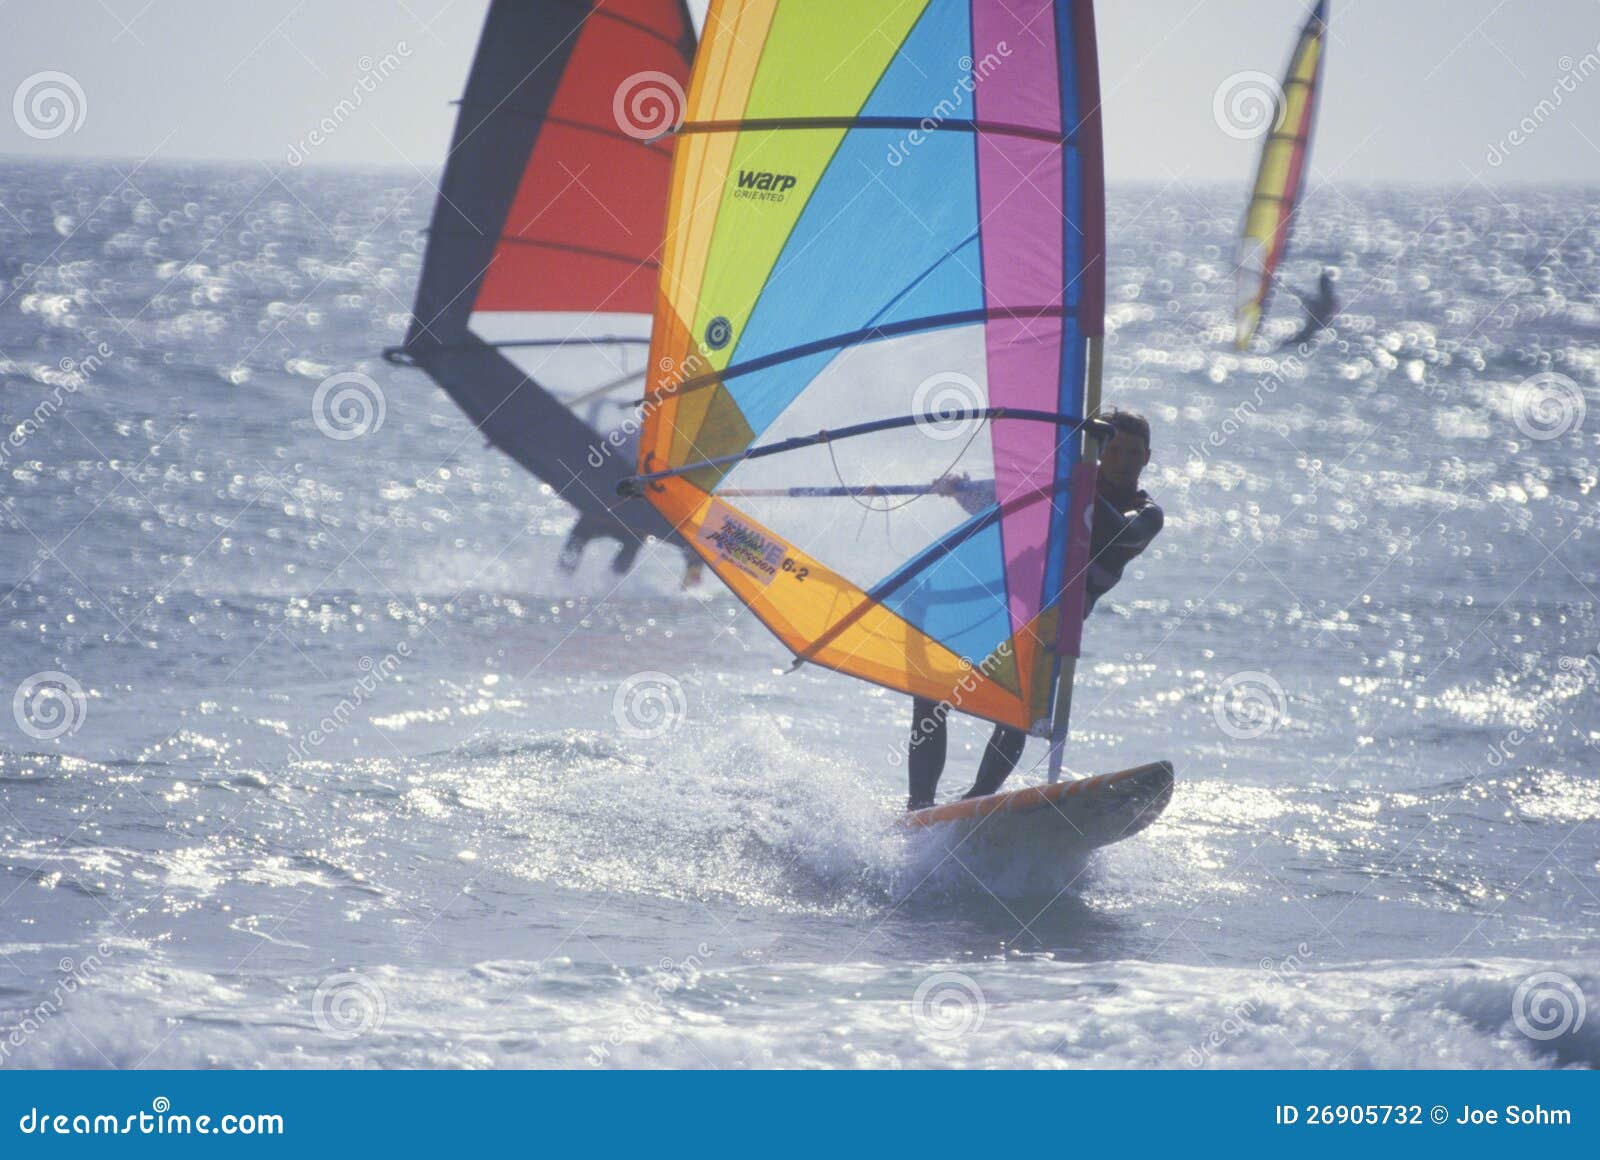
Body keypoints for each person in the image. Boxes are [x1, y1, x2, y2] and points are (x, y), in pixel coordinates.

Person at [906, 409, 1164, 811]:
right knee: (931, 698)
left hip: (1052, 624)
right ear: (1098, 451)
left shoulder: (1145, 514)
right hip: (1003, 607)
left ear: (1147, 458)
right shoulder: (1068, 485)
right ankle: (919, 809)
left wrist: (1077, 481)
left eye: (1132, 453)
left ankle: (978, 801)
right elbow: (1006, 497)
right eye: (1112, 450)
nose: (1122, 461)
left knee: (1017, 714)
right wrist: (961, 488)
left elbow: (1119, 532)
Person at [1284, 267, 1339, 348]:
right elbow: (1302, 296)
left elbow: (1302, 296)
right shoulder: (1332, 302)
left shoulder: (1318, 302)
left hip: (1309, 336)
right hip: (1313, 337)